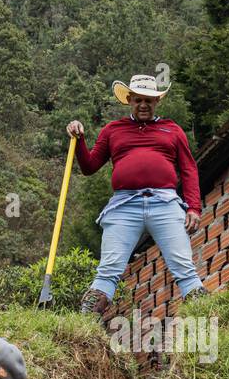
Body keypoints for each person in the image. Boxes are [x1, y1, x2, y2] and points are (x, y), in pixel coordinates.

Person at [66, 74, 206, 315]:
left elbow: (189, 168)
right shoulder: (113, 130)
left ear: (157, 102)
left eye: (149, 100)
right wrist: (79, 140)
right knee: (109, 269)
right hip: (124, 204)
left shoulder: (172, 130)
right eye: (139, 99)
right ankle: (85, 324)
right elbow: (89, 166)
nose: (144, 105)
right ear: (129, 100)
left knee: (184, 266)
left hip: (165, 202)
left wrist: (193, 207)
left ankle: (206, 316)